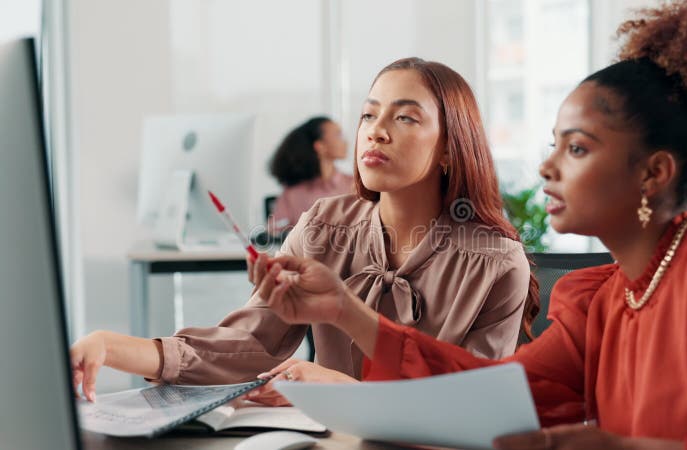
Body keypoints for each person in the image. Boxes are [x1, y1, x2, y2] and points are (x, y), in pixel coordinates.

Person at [249, 1, 687, 448]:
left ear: (653, 173)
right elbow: (489, 395)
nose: (547, 167)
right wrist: (344, 310)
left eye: (577, 148)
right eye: (553, 144)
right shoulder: (602, 301)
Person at [70, 58, 538, 406]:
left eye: (404, 117)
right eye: (368, 115)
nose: (375, 132)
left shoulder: (495, 262)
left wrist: (343, 392)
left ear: (451, 149)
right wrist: (111, 346)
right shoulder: (323, 226)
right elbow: (249, 343)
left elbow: (473, 407)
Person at [267, 116, 353, 233]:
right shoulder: (293, 193)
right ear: (320, 146)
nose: (345, 142)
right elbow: (273, 233)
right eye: (338, 135)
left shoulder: (355, 186)